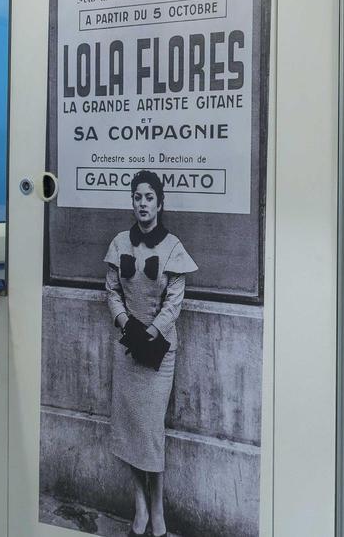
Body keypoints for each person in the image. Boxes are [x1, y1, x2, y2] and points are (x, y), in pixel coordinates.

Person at [104, 170, 197, 537]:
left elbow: (175, 302)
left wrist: (151, 332)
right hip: (128, 346)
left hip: (159, 351)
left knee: (150, 430)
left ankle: (157, 510)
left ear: (160, 202)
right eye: (137, 197)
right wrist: (126, 322)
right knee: (129, 427)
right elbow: (111, 291)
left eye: (149, 197)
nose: (142, 203)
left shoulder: (173, 247)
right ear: (133, 201)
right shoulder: (118, 243)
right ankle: (139, 506)